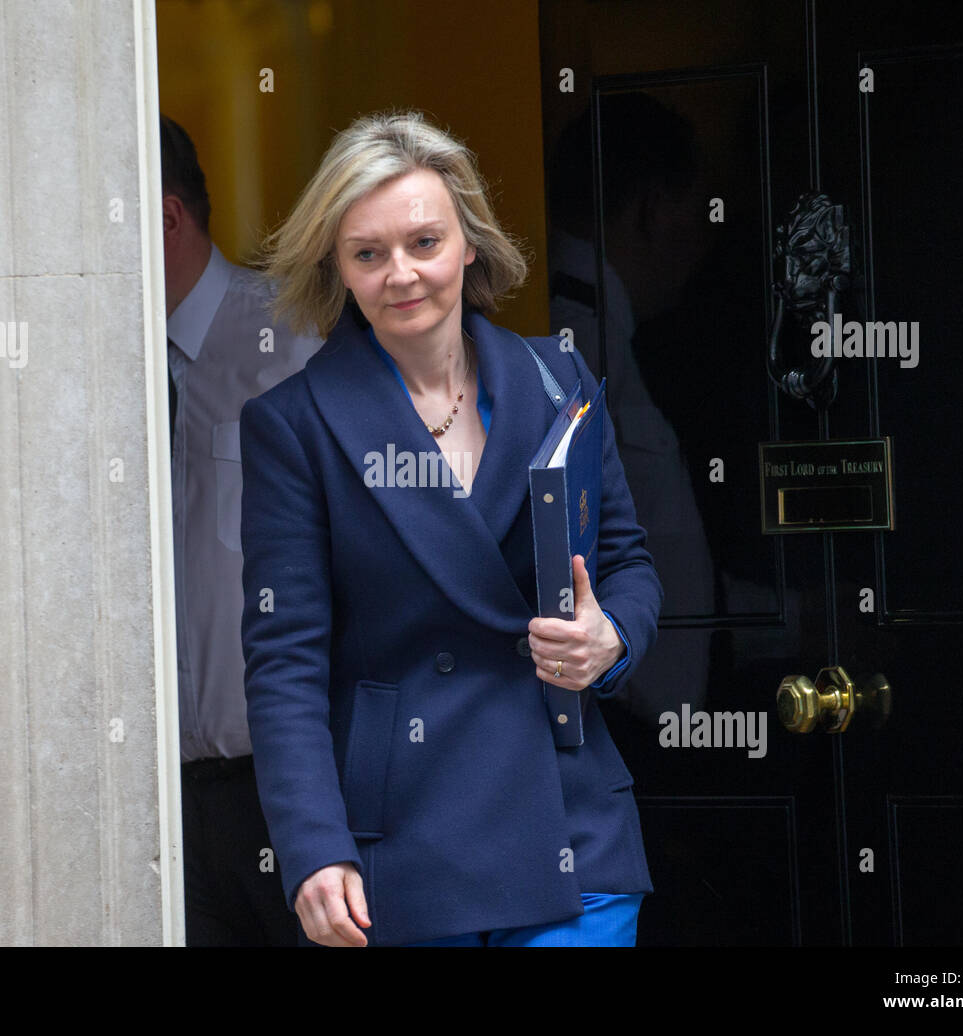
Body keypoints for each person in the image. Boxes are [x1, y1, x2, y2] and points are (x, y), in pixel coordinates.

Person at [239, 109, 662, 947]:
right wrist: (313, 848)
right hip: (403, 854)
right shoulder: (294, 426)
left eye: (424, 243)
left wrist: (609, 638)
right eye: (369, 253)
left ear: (469, 244)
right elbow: (284, 661)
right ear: (340, 269)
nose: (401, 274)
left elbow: (627, 561)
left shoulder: (558, 376)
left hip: (574, 832)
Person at [159, 115, 320, 946]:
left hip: (285, 788)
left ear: (166, 218)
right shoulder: (97, 367)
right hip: (156, 803)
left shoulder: (289, 341)